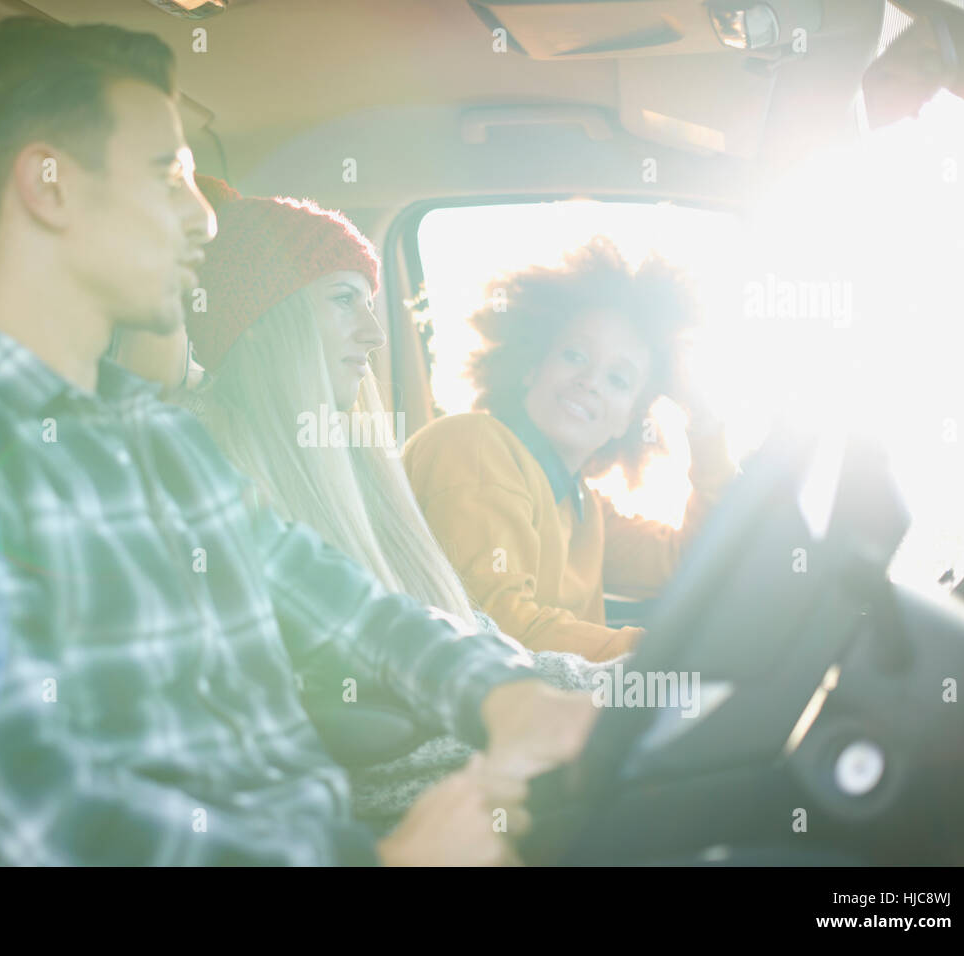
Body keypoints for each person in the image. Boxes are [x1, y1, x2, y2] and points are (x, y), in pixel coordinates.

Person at [0, 17, 595, 866]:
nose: (205, 220)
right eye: (167, 174)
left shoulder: (159, 435)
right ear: (49, 186)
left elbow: (349, 607)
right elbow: (27, 821)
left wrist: (508, 694)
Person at [149, 176, 619, 827]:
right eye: (344, 300)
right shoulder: (206, 476)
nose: (373, 336)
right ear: (261, 319)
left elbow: (460, 635)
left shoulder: (344, 472)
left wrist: (620, 684)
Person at [403, 238, 738, 661]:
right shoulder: (474, 448)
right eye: (575, 355)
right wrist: (664, 653)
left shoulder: (582, 506)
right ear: (531, 369)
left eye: (618, 379)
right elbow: (504, 627)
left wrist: (702, 419)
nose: (592, 380)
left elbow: (688, 560)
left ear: (626, 421)